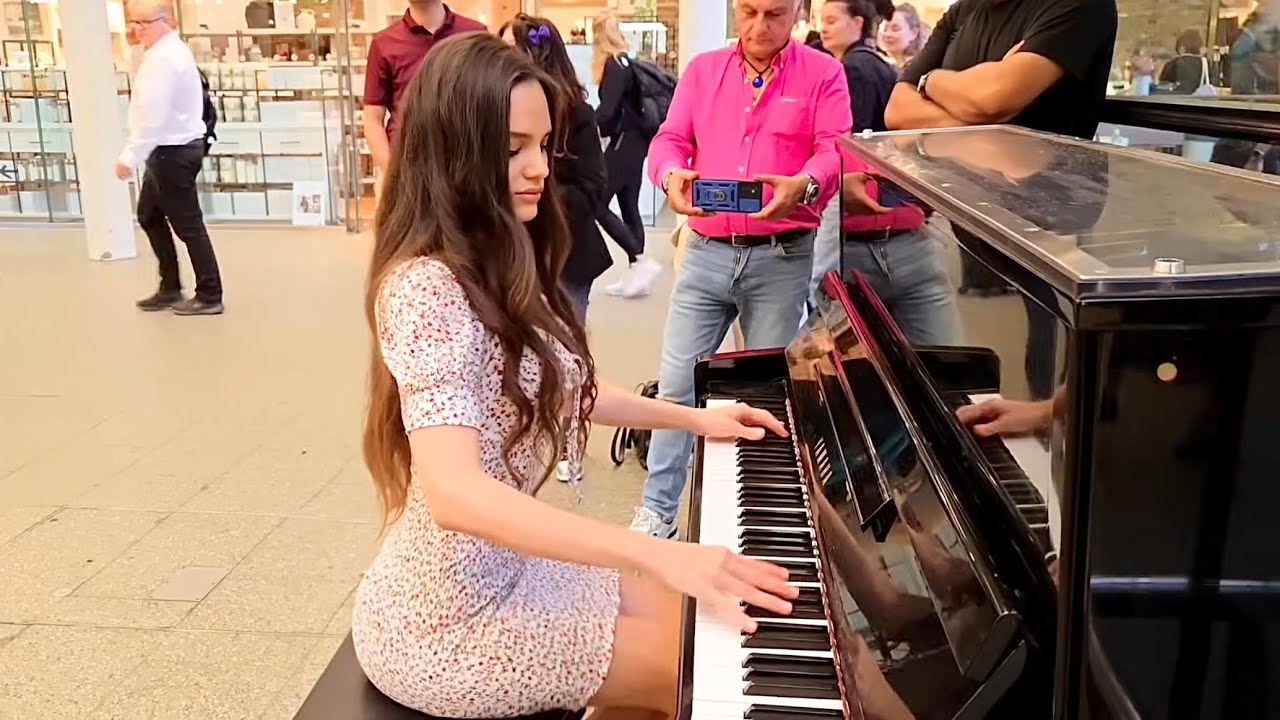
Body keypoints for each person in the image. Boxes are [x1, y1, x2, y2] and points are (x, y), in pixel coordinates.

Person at [351, 33, 799, 719]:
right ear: (453, 152)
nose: (536, 168)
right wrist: (650, 553)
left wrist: (696, 417)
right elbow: (455, 494)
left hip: (505, 570)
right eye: (510, 149)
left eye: (542, 145)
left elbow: (570, 389)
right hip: (444, 623)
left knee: (714, 622)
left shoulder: (500, 258)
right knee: (715, 665)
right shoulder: (423, 287)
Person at [631, 0, 851, 538]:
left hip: (781, 257)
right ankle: (658, 510)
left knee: (765, 392)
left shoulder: (823, 73)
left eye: (774, 13)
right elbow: (668, 140)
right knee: (679, 385)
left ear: (796, 10)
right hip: (706, 253)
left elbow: (836, 152)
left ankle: (760, 512)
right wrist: (670, 177)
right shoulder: (705, 70)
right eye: (748, 11)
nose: (758, 26)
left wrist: (806, 185)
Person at [117, 0, 224, 316]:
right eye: (134, 23)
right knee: (149, 213)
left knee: (188, 224)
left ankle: (209, 293)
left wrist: (130, 155)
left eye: (142, 23)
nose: (135, 30)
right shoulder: (163, 54)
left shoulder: (165, 59)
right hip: (168, 150)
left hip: (171, 153)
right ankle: (170, 286)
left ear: (164, 21)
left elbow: (153, 116)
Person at [502, 15, 612, 322]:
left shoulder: (576, 113)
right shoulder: (493, 110)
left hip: (566, 253)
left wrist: (535, 193)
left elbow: (592, 189)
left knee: (566, 350)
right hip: (511, 254)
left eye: (510, 48)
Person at [363, 1, 485, 179]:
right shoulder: (384, 44)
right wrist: (394, 177)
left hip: (465, 170)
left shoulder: (476, 35)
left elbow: (491, 104)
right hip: (406, 169)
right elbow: (372, 120)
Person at [592, 12, 664, 298]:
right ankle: (638, 272)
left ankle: (640, 261)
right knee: (629, 205)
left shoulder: (613, 64)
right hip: (637, 142)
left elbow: (608, 110)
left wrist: (591, 123)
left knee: (597, 202)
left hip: (622, 142)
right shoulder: (626, 61)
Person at [879, 3, 929, 69]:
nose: (887, 34)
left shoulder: (920, 67)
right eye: (884, 29)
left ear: (913, 33)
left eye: (895, 29)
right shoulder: (883, 65)